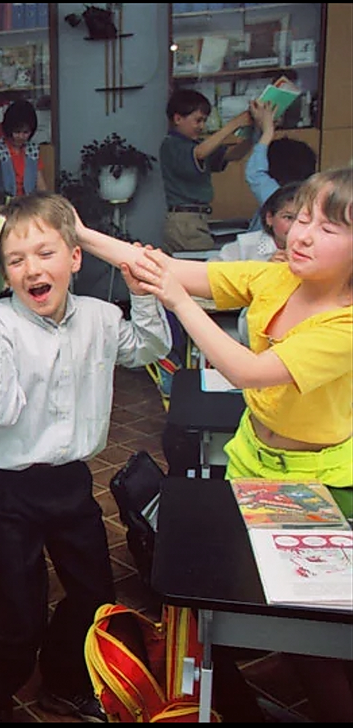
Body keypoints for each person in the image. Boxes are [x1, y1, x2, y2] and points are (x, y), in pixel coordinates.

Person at [78, 166, 353, 723]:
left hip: (319, 483)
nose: (300, 235)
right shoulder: (279, 279)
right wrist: (76, 230)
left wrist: (179, 302)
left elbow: (250, 371)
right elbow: (161, 265)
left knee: (308, 632)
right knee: (209, 604)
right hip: (252, 458)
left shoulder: (345, 324)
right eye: (301, 218)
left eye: (327, 229)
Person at [0, 192, 172, 722]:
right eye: (16, 261)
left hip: (69, 480)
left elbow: (149, 349)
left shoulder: (99, 316)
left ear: (74, 258)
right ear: (4, 271)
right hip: (1, 488)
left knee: (93, 595)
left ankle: (64, 682)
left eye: (45, 253)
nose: (31, 270)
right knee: (21, 602)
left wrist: (141, 295)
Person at [160, 89, 254, 252]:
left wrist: (255, 132)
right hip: (184, 221)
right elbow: (201, 153)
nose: (202, 126)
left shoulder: (196, 144)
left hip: (196, 219)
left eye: (204, 121)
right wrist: (233, 124)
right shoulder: (171, 144)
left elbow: (232, 155)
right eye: (198, 120)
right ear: (178, 119)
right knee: (204, 268)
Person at [244, 99, 317, 231]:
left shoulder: (277, 194)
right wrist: (262, 129)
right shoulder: (309, 194)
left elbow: (255, 172)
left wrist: (268, 132)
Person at [0, 100, 48, 198]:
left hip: (28, 205)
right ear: (9, 129)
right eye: (17, 132)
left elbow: (41, 186)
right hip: (3, 205)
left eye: (25, 132)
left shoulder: (33, 150)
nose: (21, 136)